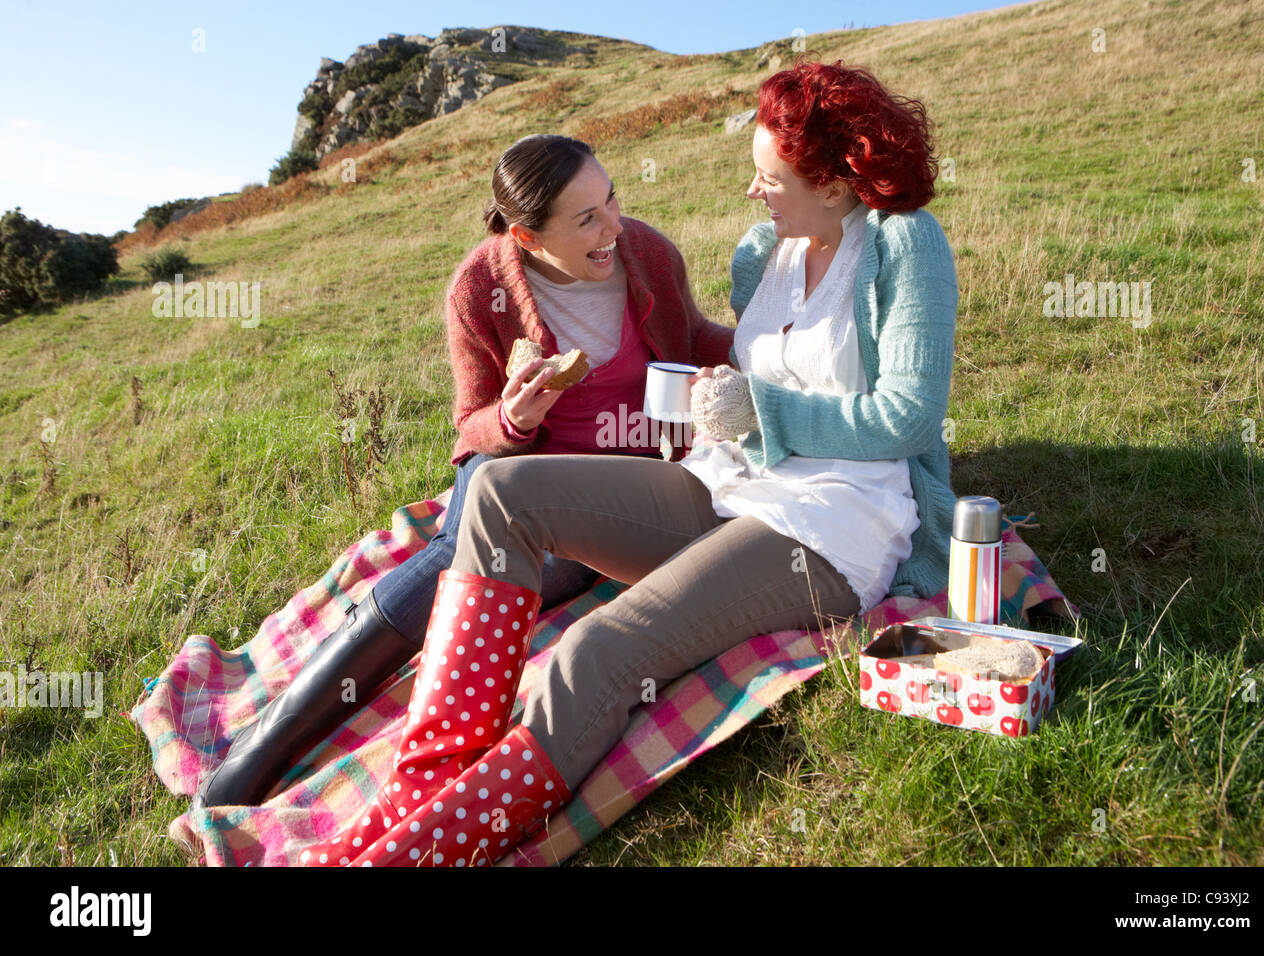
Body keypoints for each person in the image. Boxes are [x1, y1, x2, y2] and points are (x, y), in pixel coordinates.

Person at [300, 59, 959, 867]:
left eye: (770, 178)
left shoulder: (902, 246)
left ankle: (421, 853)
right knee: (500, 493)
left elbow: (908, 416)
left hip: (828, 523)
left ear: (833, 182)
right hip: (725, 484)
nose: (755, 192)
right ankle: (429, 775)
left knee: (596, 651)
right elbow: (756, 358)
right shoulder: (772, 251)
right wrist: (719, 396)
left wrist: (764, 411)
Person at [197, 135, 735, 809]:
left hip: (618, 477)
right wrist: (513, 418)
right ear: (526, 235)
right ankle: (265, 747)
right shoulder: (479, 289)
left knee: (556, 568)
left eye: (611, 199)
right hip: (518, 462)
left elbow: (695, 336)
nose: (614, 227)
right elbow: (470, 424)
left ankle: (446, 738)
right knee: (460, 551)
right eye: (587, 219)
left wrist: (763, 348)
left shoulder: (647, 254)